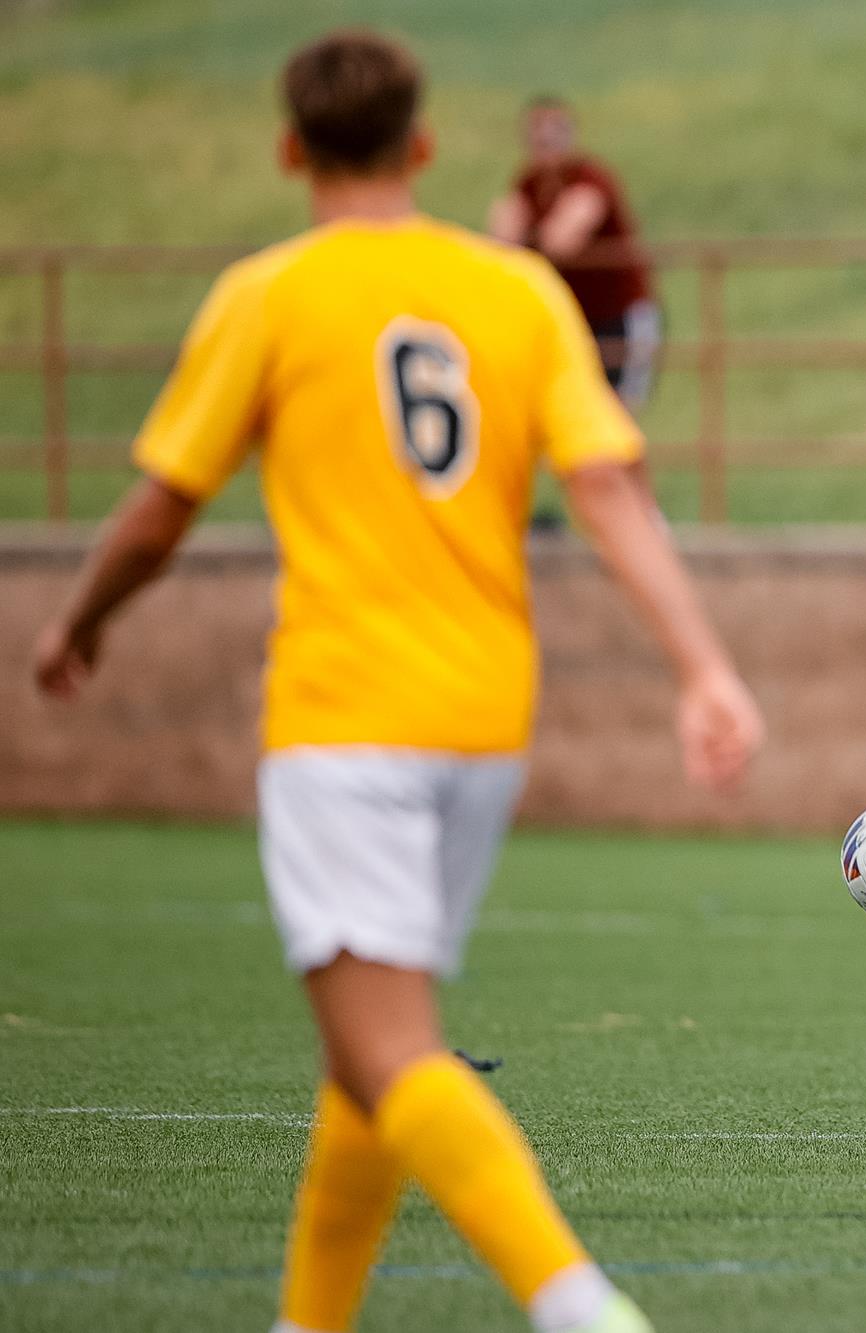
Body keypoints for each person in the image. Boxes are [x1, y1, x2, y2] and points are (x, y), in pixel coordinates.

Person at [31, 29, 764, 1332]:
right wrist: (702, 667)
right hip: (485, 717)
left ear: (287, 149)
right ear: (423, 146)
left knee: (388, 1048)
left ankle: (581, 1306)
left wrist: (78, 621)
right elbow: (608, 488)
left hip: (344, 715)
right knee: (364, 1057)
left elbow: (156, 514)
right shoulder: (518, 292)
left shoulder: (269, 293)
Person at [489, 97, 662, 413]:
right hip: (576, 320)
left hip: (620, 316)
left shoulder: (590, 177)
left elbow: (562, 238)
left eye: (553, 131)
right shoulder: (529, 183)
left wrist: (525, 236)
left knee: (619, 418)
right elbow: (501, 240)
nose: (544, 141)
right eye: (537, 132)